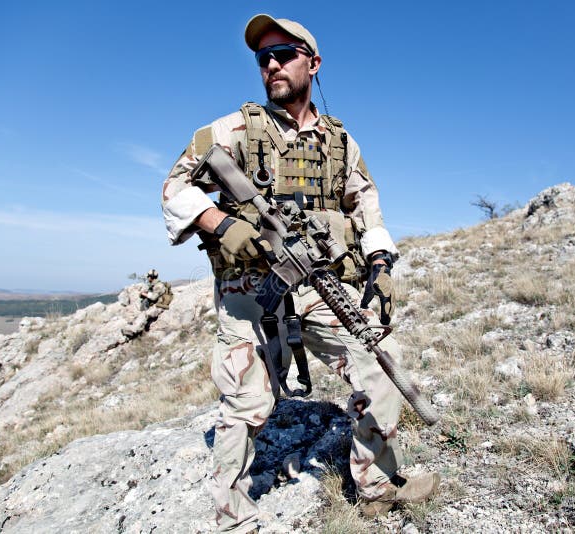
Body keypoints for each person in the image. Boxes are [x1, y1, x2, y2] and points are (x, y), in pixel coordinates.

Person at [161, 14, 438, 533]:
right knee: (246, 402)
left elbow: (366, 208)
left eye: (284, 52)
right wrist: (222, 225)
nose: (271, 63)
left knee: (377, 358)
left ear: (313, 62)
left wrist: (379, 266)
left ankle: (376, 486)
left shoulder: (340, 142)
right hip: (251, 293)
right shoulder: (231, 129)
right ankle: (233, 518)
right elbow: (174, 190)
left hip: (317, 286)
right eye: (262, 57)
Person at [120, 269, 171, 338]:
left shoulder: (159, 286)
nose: (147, 278)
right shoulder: (153, 284)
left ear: (150, 277)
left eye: (148, 277)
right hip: (155, 304)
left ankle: (135, 330)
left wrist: (144, 294)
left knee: (146, 314)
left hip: (160, 305)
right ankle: (135, 323)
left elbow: (153, 297)